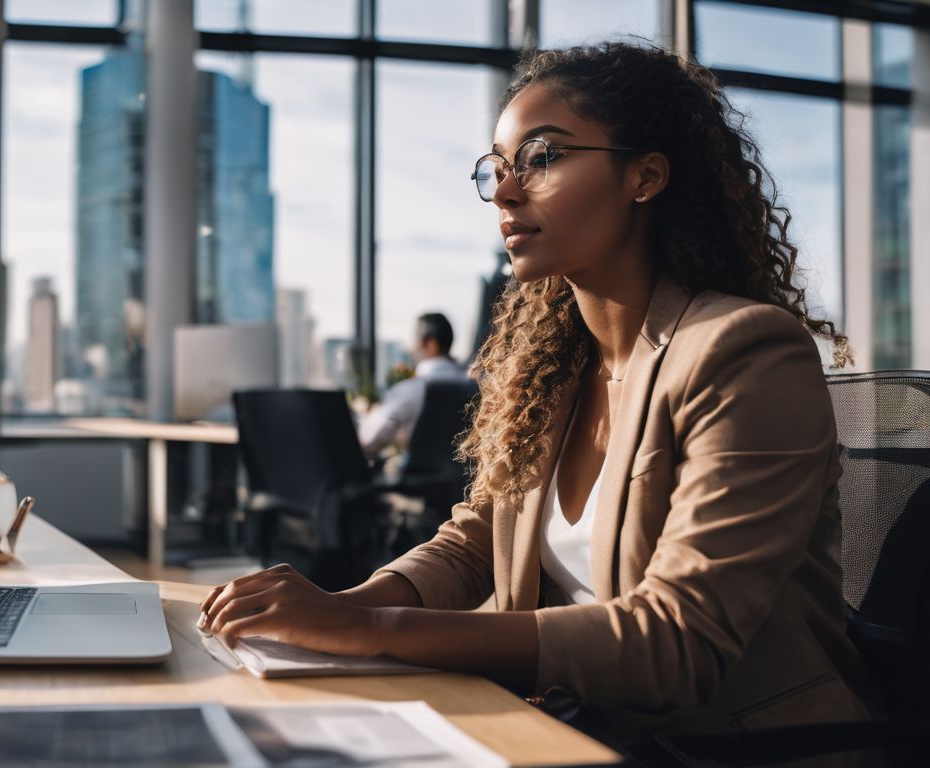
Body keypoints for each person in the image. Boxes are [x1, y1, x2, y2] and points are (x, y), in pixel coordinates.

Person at [199, 42, 881, 763]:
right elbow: (475, 545)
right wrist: (343, 605)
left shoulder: (743, 352)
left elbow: (677, 641)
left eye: (542, 158)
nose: (505, 191)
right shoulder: (554, 371)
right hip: (577, 728)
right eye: (497, 167)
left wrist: (375, 633)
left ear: (644, 176)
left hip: (732, 747)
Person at [357, 313, 471, 456]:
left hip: (420, 476)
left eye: (415, 341)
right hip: (470, 477)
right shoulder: (474, 386)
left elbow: (368, 438)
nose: (412, 349)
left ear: (430, 344)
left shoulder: (412, 389)